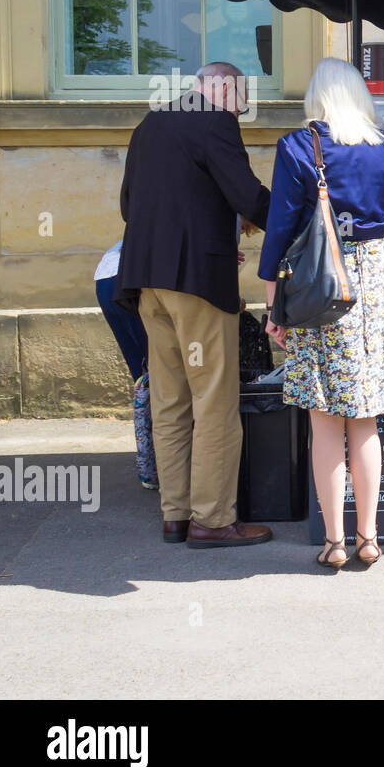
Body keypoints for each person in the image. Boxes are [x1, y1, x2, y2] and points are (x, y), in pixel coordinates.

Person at [259, 58, 384, 570]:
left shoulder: (298, 147)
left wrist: (272, 302)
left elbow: (281, 225)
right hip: (374, 277)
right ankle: (370, 537)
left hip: (318, 284)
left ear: (317, 98)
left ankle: (334, 542)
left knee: (323, 421)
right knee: (365, 420)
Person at [116, 62, 273, 548]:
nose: (239, 113)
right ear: (223, 87)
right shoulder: (214, 120)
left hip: (146, 280)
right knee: (214, 400)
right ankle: (213, 519)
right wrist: (296, 217)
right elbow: (247, 194)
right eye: (240, 101)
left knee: (169, 399)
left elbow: (129, 205)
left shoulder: (150, 123)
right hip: (198, 283)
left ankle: (176, 515)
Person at [95, 241, 156, 489]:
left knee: (144, 377)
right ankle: (164, 468)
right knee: (163, 377)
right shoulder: (221, 211)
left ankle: (150, 468)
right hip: (134, 280)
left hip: (105, 276)